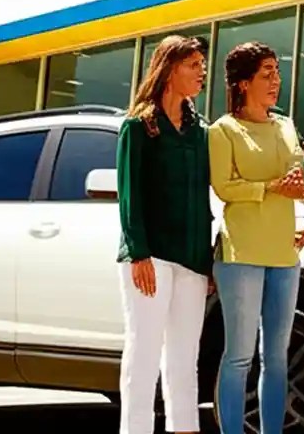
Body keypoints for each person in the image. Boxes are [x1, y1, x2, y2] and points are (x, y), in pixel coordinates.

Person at [207, 41, 304, 434]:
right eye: (266, 73)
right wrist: (273, 186)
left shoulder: (286, 125)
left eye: (277, 71)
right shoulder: (223, 131)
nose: (276, 80)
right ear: (242, 83)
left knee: (277, 357)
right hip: (241, 255)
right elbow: (224, 186)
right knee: (238, 356)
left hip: (285, 255)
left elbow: (301, 179)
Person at [116, 34, 214, 434]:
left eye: (202, 66)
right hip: (150, 257)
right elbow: (129, 195)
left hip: (191, 259)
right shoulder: (138, 126)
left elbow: (203, 200)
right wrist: (138, 252)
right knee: (143, 353)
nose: (201, 72)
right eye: (193, 65)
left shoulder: (199, 132)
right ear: (170, 69)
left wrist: (207, 263)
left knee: (183, 358)